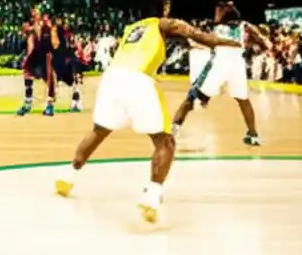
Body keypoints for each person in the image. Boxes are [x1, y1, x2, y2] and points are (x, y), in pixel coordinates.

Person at [54, 11, 240, 223]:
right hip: (138, 78)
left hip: (112, 77)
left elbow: (179, 39)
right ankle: (151, 196)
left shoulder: (133, 28)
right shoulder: (164, 23)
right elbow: (199, 35)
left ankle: (67, 176)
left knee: (99, 130)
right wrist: (228, 43)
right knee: (165, 141)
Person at [170, 1, 271, 145]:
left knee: (191, 98)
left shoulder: (216, 27)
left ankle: (173, 130)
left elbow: (205, 40)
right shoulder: (245, 26)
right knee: (243, 100)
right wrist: (250, 46)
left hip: (220, 65)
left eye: (220, 9)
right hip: (237, 65)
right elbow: (266, 44)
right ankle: (253, 134)